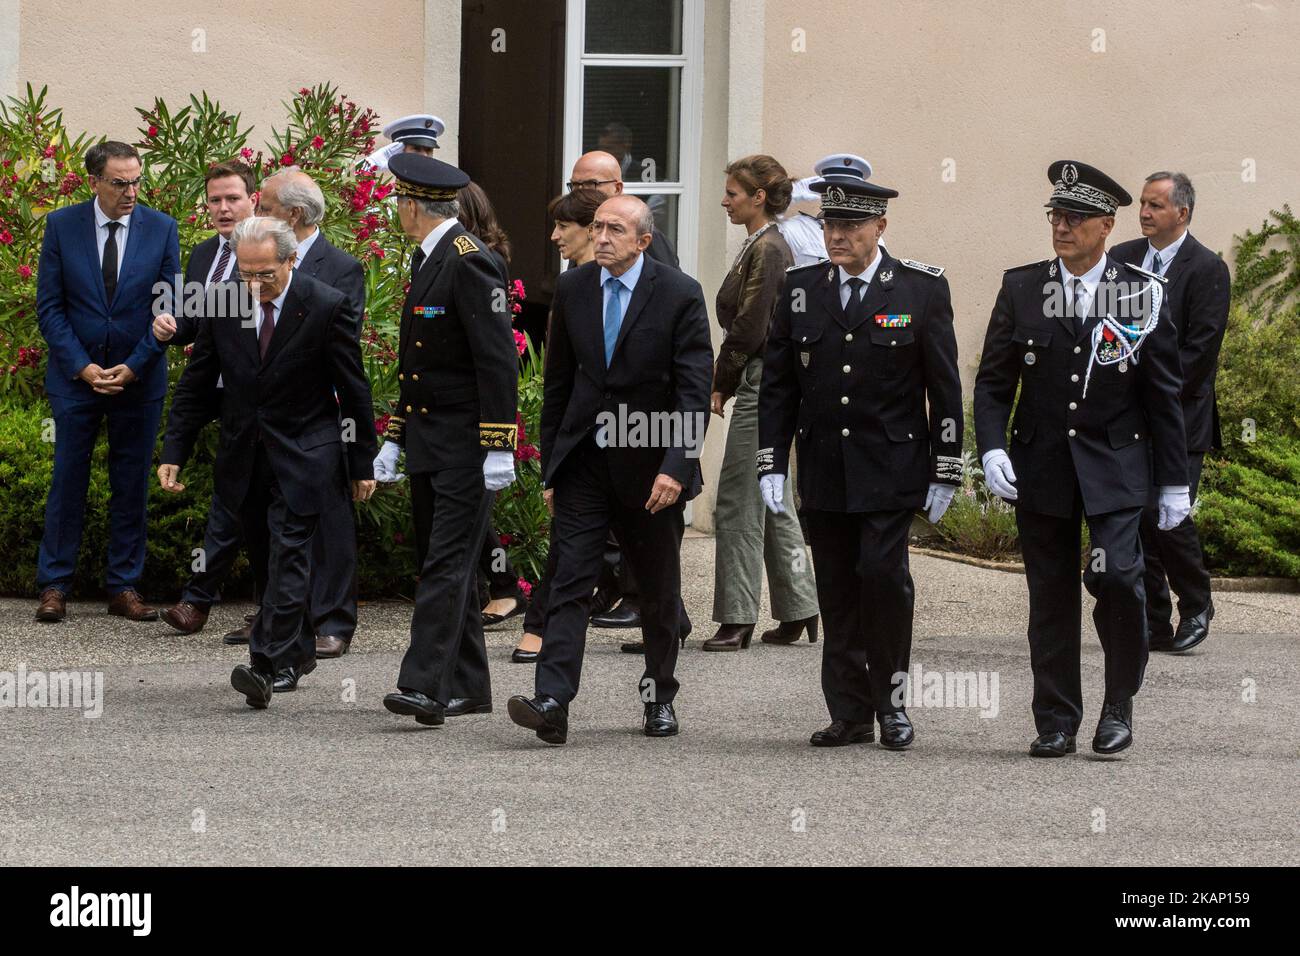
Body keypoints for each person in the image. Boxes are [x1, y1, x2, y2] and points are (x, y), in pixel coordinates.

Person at [973, 160, 1190, 758]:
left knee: (1119, 578)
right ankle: (1056, 718)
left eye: (1076, 217)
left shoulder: (1140, 292)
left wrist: (1173, 483)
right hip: (1041, 465)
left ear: (1106, 225)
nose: (1062, 226)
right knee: (1050, 595)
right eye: (1056, 215)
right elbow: (994, 383)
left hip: (1116, 466)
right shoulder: (1022, 287)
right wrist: (990, 446)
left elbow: (1163, 394)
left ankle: (1118, 704)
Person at [757, 154, 963, 749]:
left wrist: (946, 466)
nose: (838, 236)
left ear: (879, 228)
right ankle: (849, 711)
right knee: (837, 587)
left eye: (850, 227)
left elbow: (943, 386)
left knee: (883, 577)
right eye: (829, 226)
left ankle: (893, 705)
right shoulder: (799, 289)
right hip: (824, 466)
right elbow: (779, 385)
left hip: (893, 466)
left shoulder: (922, 289)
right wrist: (772, 459)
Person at [507, 195, 712, 746]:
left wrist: (677, 466)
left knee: (657, 588)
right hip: (585, 464)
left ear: (643, 241)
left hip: (653, 468)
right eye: (596, 227)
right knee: (571, 578)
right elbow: (559, 387)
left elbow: (693, 394)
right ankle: (552, 701)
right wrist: (552, 468)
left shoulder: (679, 294)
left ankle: (659, 696)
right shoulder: (573, 289)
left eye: (614, 229)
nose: (600, 237)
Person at [158, 217, 376, 706]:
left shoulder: (324, 305)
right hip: (244, 453)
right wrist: (175, 449)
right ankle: (295, 655)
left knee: (288, 554)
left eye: (265, 275)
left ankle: (263, 663)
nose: (254, 285)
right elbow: (197, 382)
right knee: (266, 556)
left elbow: (354, 390)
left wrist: (362, 463)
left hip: (308, 451)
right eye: (246, 273)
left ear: (290, 259)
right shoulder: (223, 301)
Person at [378, 153, 518, 726]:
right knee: (450, 563)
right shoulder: (428, 258)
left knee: (446, 565)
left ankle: (423, 685)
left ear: (412, 206)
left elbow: (497, 360)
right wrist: (396, 437)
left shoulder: (468, 262)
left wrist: (499, 443)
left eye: (398, 203)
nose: (396, 211)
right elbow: (419, 366)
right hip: (432, 442)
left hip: (467, 445)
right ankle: (470, 686)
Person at [34, 141, 181, 624]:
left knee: (131, 484)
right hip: (76, 380)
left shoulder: (162, 228)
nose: (131, 191)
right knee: (67, 480)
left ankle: (124, 586)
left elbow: (169, 305)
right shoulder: (61, 225)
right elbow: (50, 308)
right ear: (93, 181)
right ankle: (54, 585)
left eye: (137, 180)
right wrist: (82, 367)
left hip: (139, 380)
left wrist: (136, 364)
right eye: (119, 182)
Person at [1110, 172, 1229, 655]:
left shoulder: (1207, 269)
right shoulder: (1121, 260)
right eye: (1141, 204)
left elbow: (1199, 354)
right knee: (1137, 518)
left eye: (1155, 206)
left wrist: (1148, 390)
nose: (1143, 213)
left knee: (1169, 516)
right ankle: (1154, 618)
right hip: (1129, 418)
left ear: (1182, 212)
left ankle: (1197, 601)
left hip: (1181, 418)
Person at [705, 155, 819, 651]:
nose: (725, 200)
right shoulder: (761, 243)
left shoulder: (769, 247)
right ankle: (799, 607)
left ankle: (737, 616)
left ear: (757, 198)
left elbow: (750, 326)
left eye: (733, 192)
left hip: (759, 380)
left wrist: (720, 381)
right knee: (773, 495)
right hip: (763, 378)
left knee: (738, 497)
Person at [152, 161, 259, 643]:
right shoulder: (201, 257)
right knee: (236, 497)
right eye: (214, 200)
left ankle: (202, 600)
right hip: (210, 387)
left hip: (258, 399)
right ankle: (213, 601)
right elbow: (197, 327)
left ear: (252, 200)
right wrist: (170, 325)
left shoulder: (268, 251)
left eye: (232, 198)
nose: (222, 208)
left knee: (243, 501)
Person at [509, 187, 606, 665]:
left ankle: (541, 624)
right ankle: (540, 625)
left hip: (622, 432)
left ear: (591, 229)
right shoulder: (571, 282)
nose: (553, 236)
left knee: (603, 538)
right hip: (575, 429)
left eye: (562, 227)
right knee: (572, 535)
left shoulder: (610, 280)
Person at [457, 180, 527, 629]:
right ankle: (500, 585)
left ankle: (506, 586)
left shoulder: (481, 258)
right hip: (452, 403)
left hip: (476, 401)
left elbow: (493, 348)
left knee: (474, 507)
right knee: (468, 509)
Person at [568, 150, 679, 269]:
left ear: (617, 188)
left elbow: (670, 283)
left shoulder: (641, 233)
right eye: (574, 185)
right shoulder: (581, 229)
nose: (579, 193)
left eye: (590, 184)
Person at [358, 113, 446, 170]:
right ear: (400, 151)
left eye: (428, 150)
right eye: (416, 148)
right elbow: (347, 182)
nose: (425, 155)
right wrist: (373, 161)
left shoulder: (442, 182)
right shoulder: (388, 190)